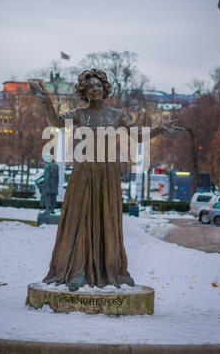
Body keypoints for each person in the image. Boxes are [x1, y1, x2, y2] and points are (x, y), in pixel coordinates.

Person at [29, 69, 184, 292]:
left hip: (108, 173)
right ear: (85, 90)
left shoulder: (116, 114)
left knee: (106, 220)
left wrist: (160, 129)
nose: (95, 89)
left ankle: (109, 270)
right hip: (83, 172)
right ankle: (78, 271)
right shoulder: (79, 114)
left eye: (98, 86)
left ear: (105, 89)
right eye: (90, 86)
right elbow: (56, 122)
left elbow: (137, 134)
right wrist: (46, 102)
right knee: (80, 220)